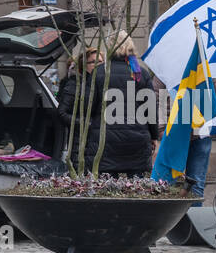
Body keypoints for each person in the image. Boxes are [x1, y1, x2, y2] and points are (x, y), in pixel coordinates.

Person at [57, 33, 160, 177]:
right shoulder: (139, 73)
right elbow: (150, 109)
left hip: (105, 141)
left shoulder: (99, 73)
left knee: (107, 185)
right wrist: (154, 135)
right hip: (136, 139)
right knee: (137, 186)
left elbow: (89, 107)